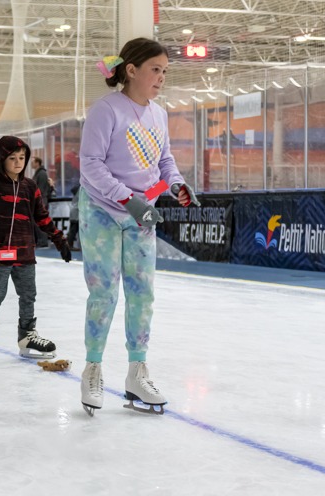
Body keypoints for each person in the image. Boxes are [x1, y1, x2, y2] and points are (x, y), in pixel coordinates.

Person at [77, 38, 201, 416]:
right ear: (131, 70)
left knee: (142, 293)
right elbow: (90, 163)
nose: (161, 78)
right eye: (155, 70)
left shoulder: (159, 115)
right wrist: (124, 197)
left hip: (140, 213)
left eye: (165, 71)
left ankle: (136, 371)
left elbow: (163, 160)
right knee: (104, 293)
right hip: (102, 210)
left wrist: (175, 184)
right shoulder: (107, 110)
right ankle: (93, 369)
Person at [0, 136, 72, 364]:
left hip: (25, 251)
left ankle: (27, 335)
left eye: (22, 158)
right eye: (12, 158)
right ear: (1, 159)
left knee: (28, 294)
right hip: (0, 251)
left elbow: (42, 217)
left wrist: (60, 240)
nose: (18, 163)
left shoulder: (30, 186)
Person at [31, 157, 55, 247]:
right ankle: (40, 240)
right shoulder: (39, 174)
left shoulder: (41, 174)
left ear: (37, 162)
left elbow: (40, 189)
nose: (31, 164)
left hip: (40, 201)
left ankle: (42, 241)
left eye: (33, 162)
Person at [67, 184, 81, 250]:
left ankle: (69, 245)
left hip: (74, 210)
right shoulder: (81, 190)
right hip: (77, 211)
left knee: (72, 229)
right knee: (74, 230)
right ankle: (69, 245)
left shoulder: (77, 190)